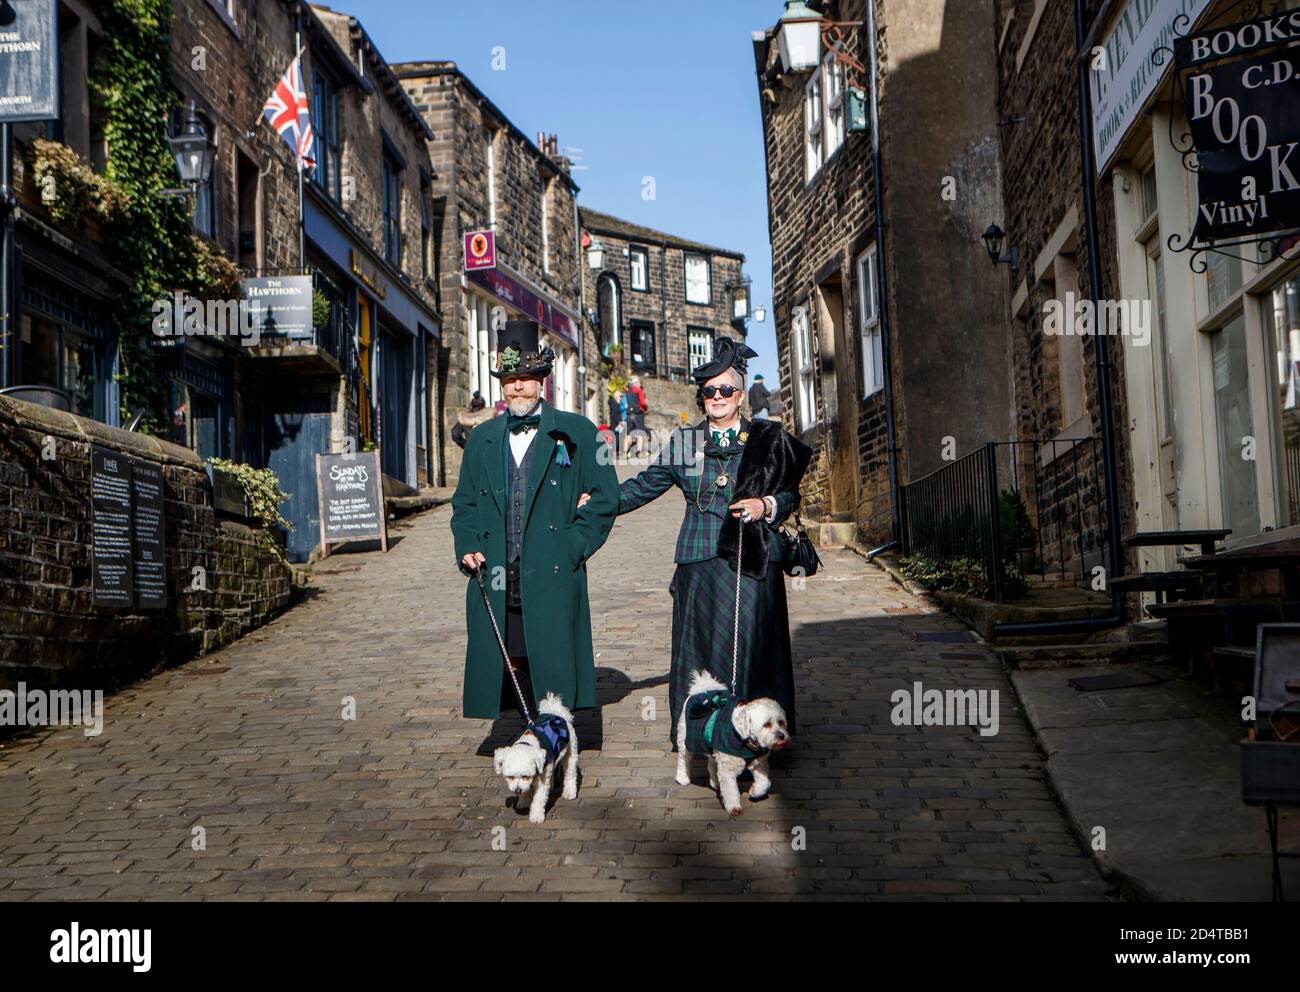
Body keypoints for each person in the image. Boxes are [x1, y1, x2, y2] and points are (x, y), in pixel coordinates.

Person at [612, 337, 812, 748]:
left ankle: (762, 736)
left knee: (755, 650)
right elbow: (641, 487)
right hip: (699, 561)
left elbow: (791, 493)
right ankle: (706, 735)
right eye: (708, 391)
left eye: (725, 390)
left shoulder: (767, 438)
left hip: (754, 560)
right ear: (701, 398)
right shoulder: (685, 443)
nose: (717, 398)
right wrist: (591, 500)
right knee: (703, 652)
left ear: (740, 396)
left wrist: (766, 503)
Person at [450, 319, 619, 720]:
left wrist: (574, 545)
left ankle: (555, 735)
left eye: (526, 377)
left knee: (553, 661)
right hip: (496, 569)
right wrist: (468, 544)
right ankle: (523, 738)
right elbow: (464, 504)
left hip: (553, 568)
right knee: (507, 662)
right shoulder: (481, 439)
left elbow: (606, 497)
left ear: (542, 379)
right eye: (510, 379)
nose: (517, 387)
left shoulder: (579, 431)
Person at [626, 375, 649, 457]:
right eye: (639, 382)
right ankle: (638, 452)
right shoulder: (639, 391)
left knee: (629, 434)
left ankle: (625, 452)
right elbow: (642, 403)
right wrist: (646, 408)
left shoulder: (627, 392)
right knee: (640, 433)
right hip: (638, 414)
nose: (640, 384)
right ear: (636, 383)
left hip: (629, 414)